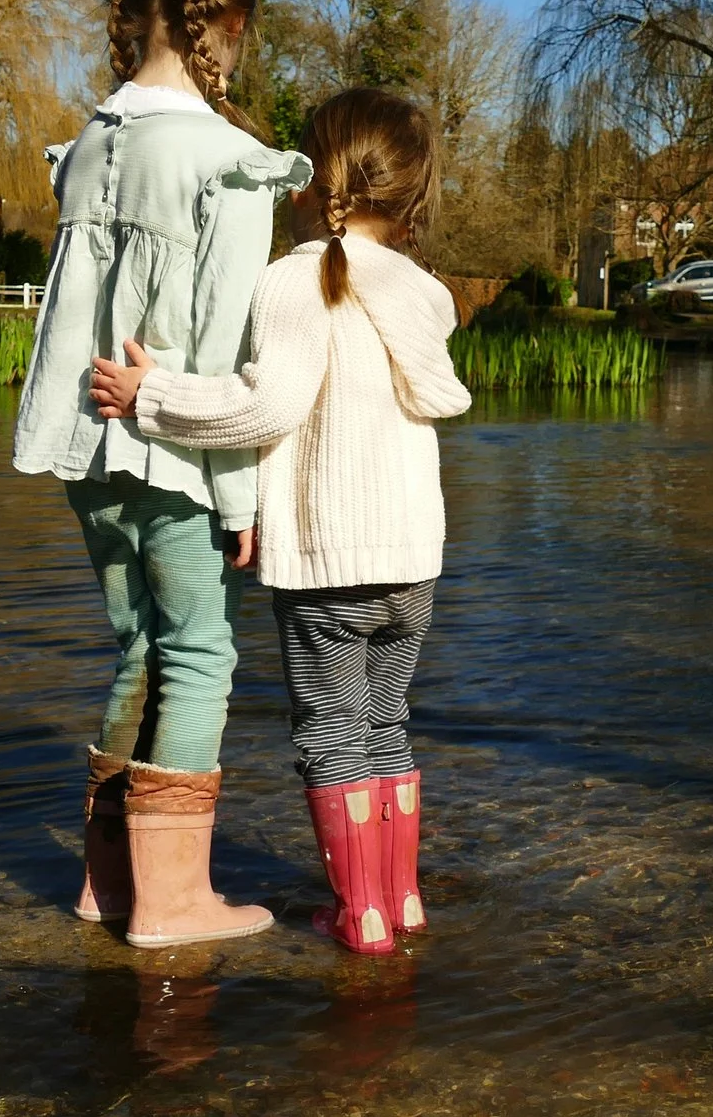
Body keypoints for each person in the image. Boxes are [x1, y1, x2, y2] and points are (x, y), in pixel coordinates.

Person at [89, 88, 470, 956]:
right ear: (410, 200)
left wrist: (155, 395)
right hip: (413, 564)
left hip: (330, 563)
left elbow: (267, 408)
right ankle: (400, 901)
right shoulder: (420, 290)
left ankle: (361, 915)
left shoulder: (297, 279)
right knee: (386, 723)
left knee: (331, 733)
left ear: (312, 181)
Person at [12, 0, 310, 949]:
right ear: (232, 20)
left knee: (136, 641)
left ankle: (106, 884)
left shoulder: (88, 144)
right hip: (173, 446)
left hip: (84, 448)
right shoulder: (224, 160)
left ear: (129, 6)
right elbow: (224, 343)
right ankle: (175, 902)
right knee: (201, 652)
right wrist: (243, 491)